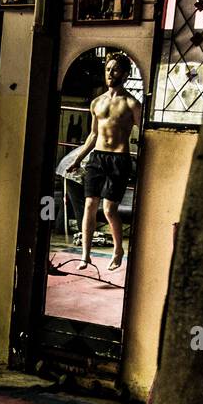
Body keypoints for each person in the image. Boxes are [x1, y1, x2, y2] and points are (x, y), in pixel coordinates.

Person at [66, 52, 141, 271]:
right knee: (90, 204)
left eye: (115, 69)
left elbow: (144, 133)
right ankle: (85, 255)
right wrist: (78, 159)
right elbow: (92, 135)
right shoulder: (97, 103)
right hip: (97, 157)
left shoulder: (132, 104)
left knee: (109, 210)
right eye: (108, 69)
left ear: (125, 74)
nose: (110, 73)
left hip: (119, 159)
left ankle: (118, 249)